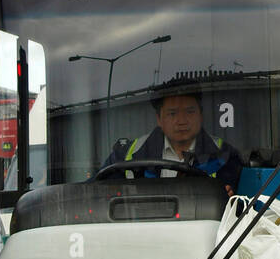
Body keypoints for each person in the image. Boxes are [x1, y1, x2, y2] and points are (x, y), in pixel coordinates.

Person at [103, 82, 242, 194]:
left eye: (190, 111)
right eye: (172, 113)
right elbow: (95, 192)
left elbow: (242, 208)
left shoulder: (226, 156)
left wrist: (228, 197)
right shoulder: (125, 156)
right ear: (159, 119)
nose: (181, 121)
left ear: (201, 115)